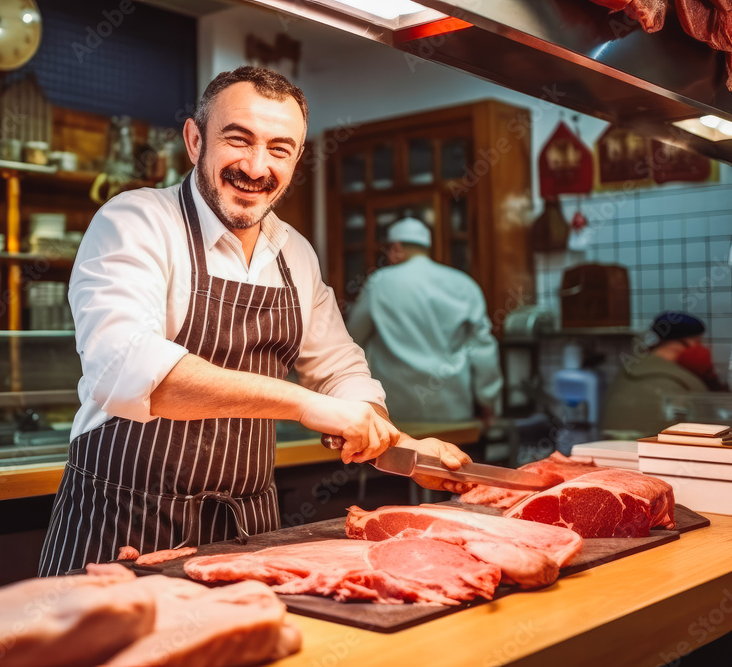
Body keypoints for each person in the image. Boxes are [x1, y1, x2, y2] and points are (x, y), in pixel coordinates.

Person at [39, 67, 470, 575]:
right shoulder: (135, 221)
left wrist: (391, 440)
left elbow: (339, 368)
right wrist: (306, 406)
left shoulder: (294, 253)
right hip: (122, 527)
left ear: (297, 159)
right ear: (195, 140)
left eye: (280, 149)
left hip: (249, 530)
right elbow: (129, 370)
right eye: (237, 140)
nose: (256, 166)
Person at [347, 217, 503, 426]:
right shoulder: (463, 284)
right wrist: (488, 403)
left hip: (397, 410)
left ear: (397, 247)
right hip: (453, 409)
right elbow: (483, 350)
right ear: (427, 247)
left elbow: (352, 340)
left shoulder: (380, 282)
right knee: (451, 457)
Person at [602, 311, 725, 438]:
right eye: (698, 342)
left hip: (612, 447)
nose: (700, 346)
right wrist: (708, 376)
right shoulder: (686, 381)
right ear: (683, 342)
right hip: (657, 452)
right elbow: (712, 428)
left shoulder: (625, 371)